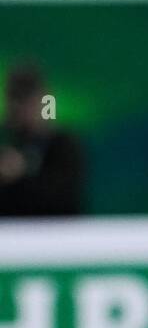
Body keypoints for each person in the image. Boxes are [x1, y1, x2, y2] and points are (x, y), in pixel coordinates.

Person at [0, 63, 85, 216]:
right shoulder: (8, 143)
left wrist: (22, 172)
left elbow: (65, 198)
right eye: (17, 100)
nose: (24, 108)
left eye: (29, 100)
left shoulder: (64, 145)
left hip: (57, 235)